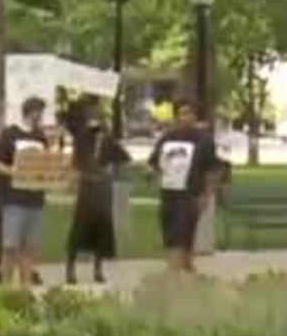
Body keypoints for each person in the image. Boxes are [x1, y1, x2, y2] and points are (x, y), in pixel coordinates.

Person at [62, 95, 131, 284]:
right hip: (87, 186)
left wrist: (109, 167)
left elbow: (125, 157)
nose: (98, 122)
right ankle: (70, 269)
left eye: (101, 119)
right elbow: (69, 118)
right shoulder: (82, 137)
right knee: (79, 228)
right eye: (94, 117)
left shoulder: (109, 141)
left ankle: (98, 269)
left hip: (102, 187)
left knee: (102, 228)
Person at [148, 99, 221, 274]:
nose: (186, 117)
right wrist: (150, 171)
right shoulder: (167, 138)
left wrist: (207, 194)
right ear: (176, 117)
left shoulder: (204, 140)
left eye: (190, 113)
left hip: (190, 195)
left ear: (195, 116)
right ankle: (188, 273)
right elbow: (154, 163)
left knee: (180, 236)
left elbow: (212, 170)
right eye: (182, 113)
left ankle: (172, 276)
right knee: (175, 239)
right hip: (168, 194)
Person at [0, 97, 50, 289]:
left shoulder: (41, 137)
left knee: (29, 248)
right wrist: (13, 172)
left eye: (42, 112)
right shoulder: (9, 135)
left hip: (35, 199)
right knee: (10, 246)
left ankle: (26, 289)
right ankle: (5, 288)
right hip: (13, 199)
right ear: (30, 112)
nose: (40, 116)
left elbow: (46, 164)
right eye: (38, 112)